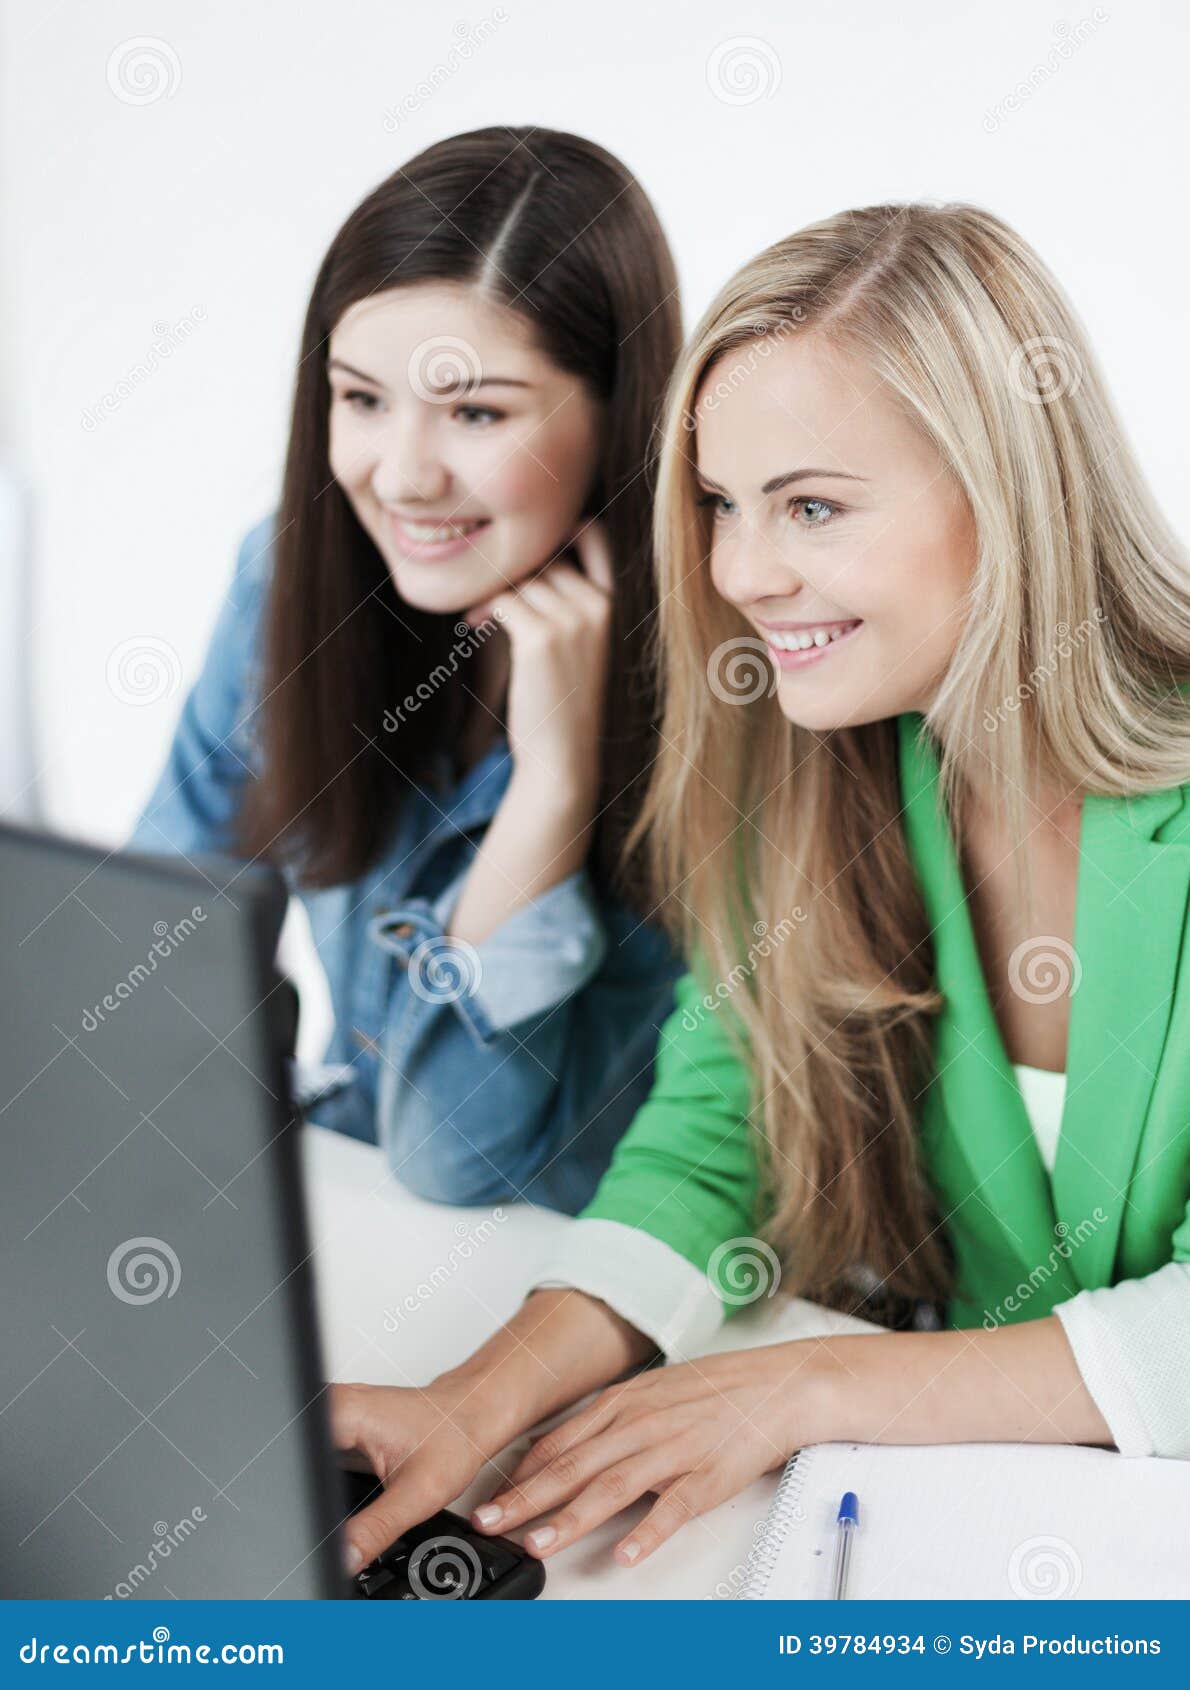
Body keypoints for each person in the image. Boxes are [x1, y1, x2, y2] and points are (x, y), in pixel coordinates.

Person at [330, 202, 1190, 1577]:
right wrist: (471, 1400)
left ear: (1007, 493)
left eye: (811, 507)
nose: (737, 572)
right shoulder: (824, 769)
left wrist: (811, 1387)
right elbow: (713, 1141)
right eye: (722, 505)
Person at [127, 127, 684, 1212]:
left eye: (476, 411)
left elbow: (459, 1153)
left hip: (571, 1261)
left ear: (619, 412)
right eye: (361, 399)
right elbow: (147, 945)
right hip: (351, 1208)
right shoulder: (291, 580)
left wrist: (551, 791)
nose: (402, 478)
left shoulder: (728, 681)